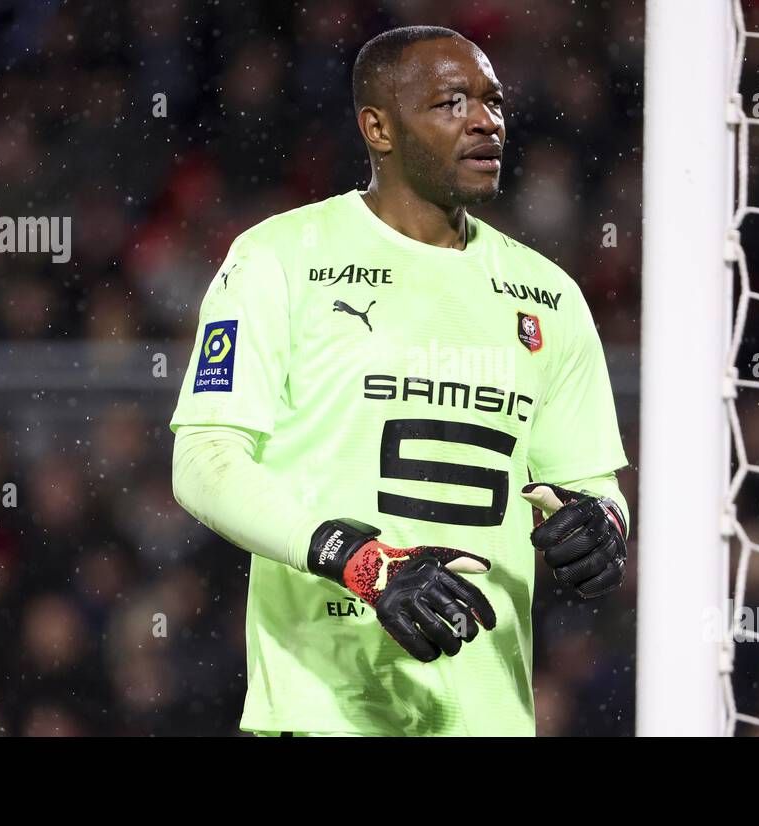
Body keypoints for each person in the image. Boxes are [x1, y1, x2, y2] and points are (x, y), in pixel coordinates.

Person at [170, 25, 630, 736]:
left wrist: (601, 525)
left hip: (488, 718)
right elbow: (203, 462)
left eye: (494, 103)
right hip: (323, 713)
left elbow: (593, 486)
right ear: (377, 128)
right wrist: (355, 558)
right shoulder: (280, 259)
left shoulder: (551, 296)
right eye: (452, 103)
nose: (486, 121)